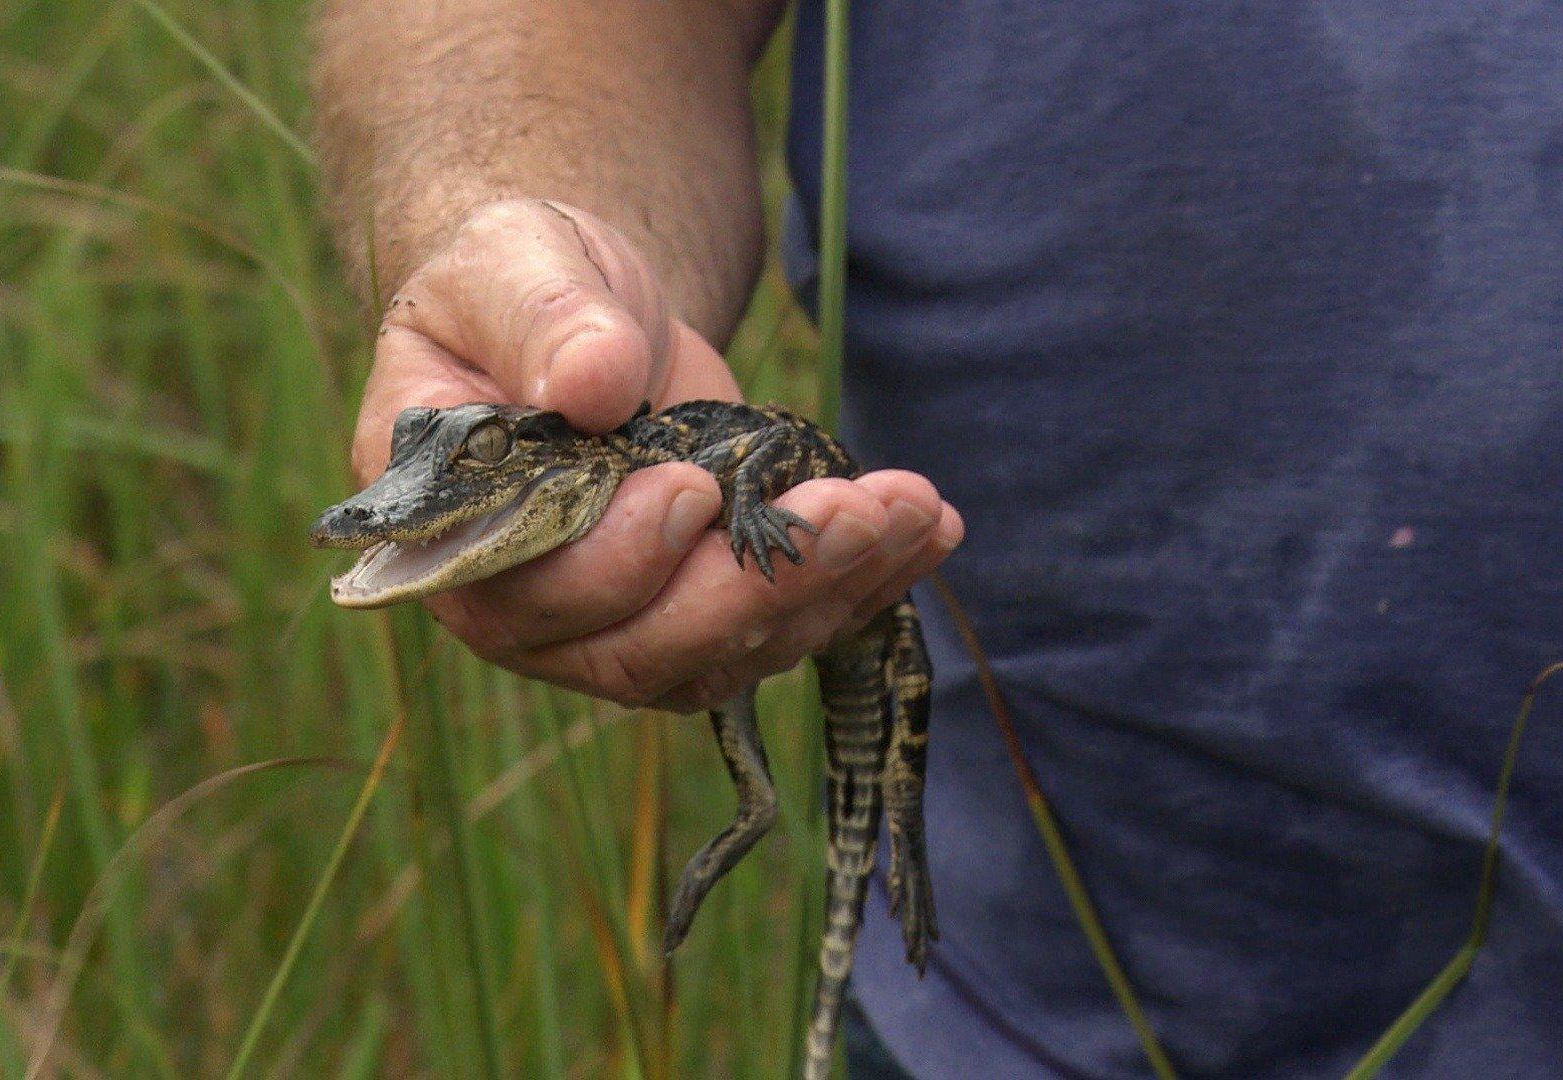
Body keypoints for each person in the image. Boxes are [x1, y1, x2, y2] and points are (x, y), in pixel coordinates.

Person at [311, 2, 1563, 1076]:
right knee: (811, 776)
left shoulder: (671, 460)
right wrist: (522, 226)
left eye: (467, 459)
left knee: (862, 781)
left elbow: (754, 451)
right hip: (1025, 1006)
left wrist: (745, 503)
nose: (378, 514)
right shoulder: (594, 454)